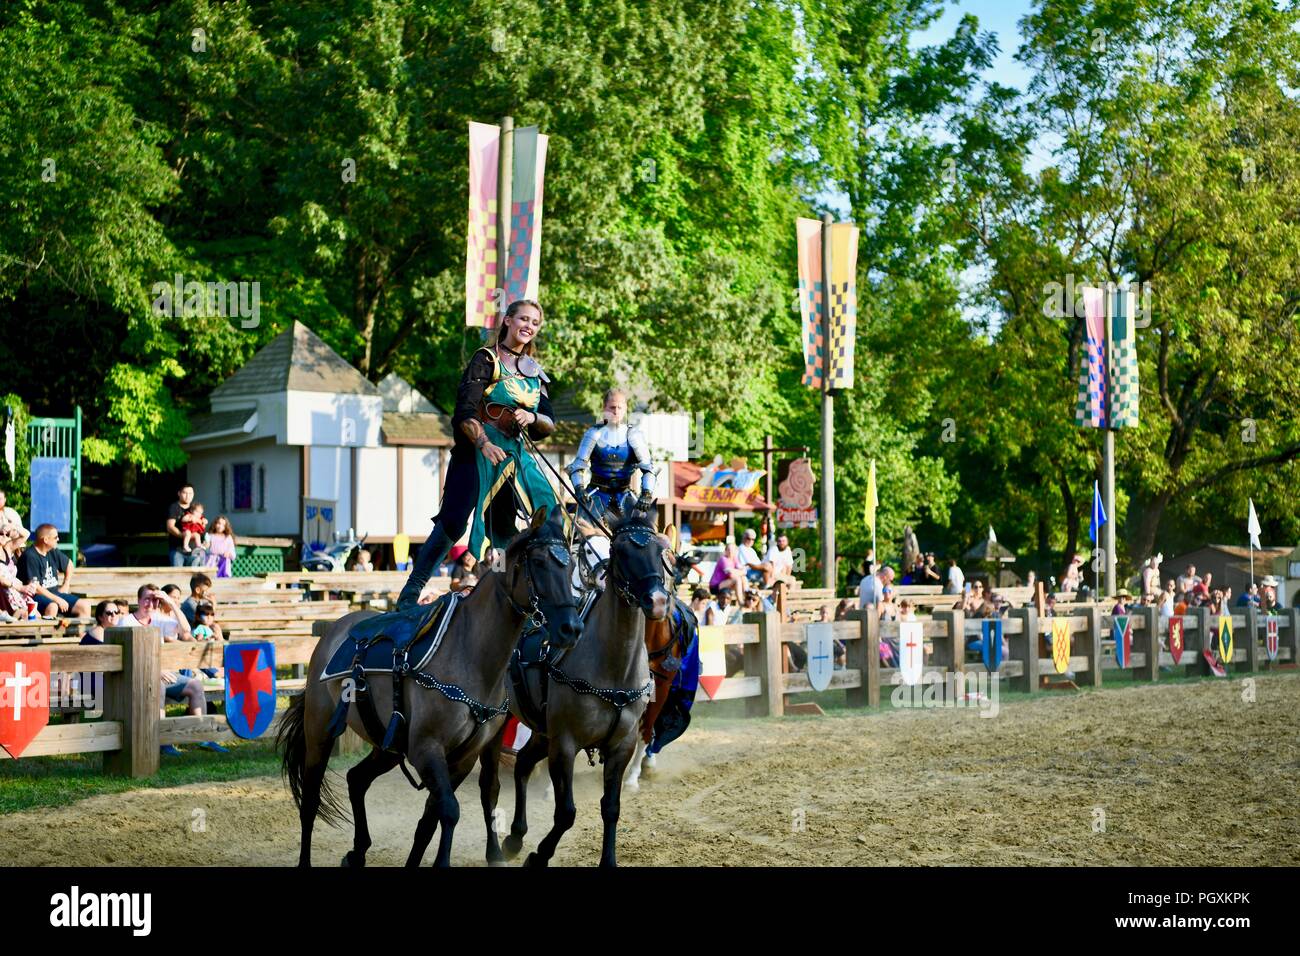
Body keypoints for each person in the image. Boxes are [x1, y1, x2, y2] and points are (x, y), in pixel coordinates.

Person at [397, 300, 558, 609]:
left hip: (514, 457)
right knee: (455, 522)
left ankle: (521, 596)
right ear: (508, 321)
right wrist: (484, 442)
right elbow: (464, 412)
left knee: (537, 518)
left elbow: (549, 422)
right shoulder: (486, 359)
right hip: (477, 452)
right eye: (523, 318)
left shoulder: (535, 373)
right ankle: (411, 592)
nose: (529, 326)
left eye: (535, 322)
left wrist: (532, 417)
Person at [565, 387, 656, 521]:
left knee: (646, 534)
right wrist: (579, 489)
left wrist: (646, 494)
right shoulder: (593, 434)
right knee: (578, 534)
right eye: (612, 407)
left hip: (626, 498)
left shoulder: (634, 435)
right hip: (595, 497)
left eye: (619, 407)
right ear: (604, 408)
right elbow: (576, 467)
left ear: (625, 408)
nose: (616, 411)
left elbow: (649, 469)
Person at [17, 524, 90, 618]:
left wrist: (66, 584)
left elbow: (69, 564)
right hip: (36, 596)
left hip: (55, 593)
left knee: (85, 606)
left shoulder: (52, 551)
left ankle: (80, 633)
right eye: (55, 537)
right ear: (46, 540)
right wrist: (57, 599)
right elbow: (35, 587)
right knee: (53, 607)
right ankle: (47, 633)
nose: (58, 539)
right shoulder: (30, 556)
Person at [0, 526, 37, 620]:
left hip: (15, 593)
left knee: (36, 615)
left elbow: (26, 534)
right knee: (26, 615)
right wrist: (20, 587)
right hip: (5, 596)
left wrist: (11, 526)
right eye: (1, 534)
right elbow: (1, 580)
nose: (4, 536)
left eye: (6, 534)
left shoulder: (7, 548)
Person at [166, 484, 198, 567]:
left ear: (193, 494)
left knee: (193, 577)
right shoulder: (173, 507)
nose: (188, 496)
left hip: (193, 550)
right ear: (179, 493)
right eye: (185, 493)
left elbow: (200, 524)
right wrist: (184, 536)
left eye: (190, 493)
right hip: (177, 550)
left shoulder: (195, 508)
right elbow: (170, 527)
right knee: (178, 577)